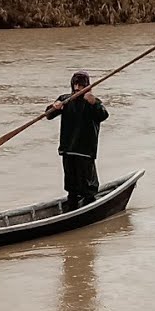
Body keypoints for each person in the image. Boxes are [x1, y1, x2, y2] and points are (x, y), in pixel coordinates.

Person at [45, 71, 108, 211]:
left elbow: (103, 115)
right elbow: (48, 115)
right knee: (71, 185)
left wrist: (94, 103)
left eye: (81, 85)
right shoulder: (65, 100)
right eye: (75, 84)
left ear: (87, 86)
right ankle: (72, 208)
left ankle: (89, 207)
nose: (78, 88)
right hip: (68, 149)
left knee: (88, 186)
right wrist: (53, 108)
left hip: (85, 150)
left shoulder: (92, 101)